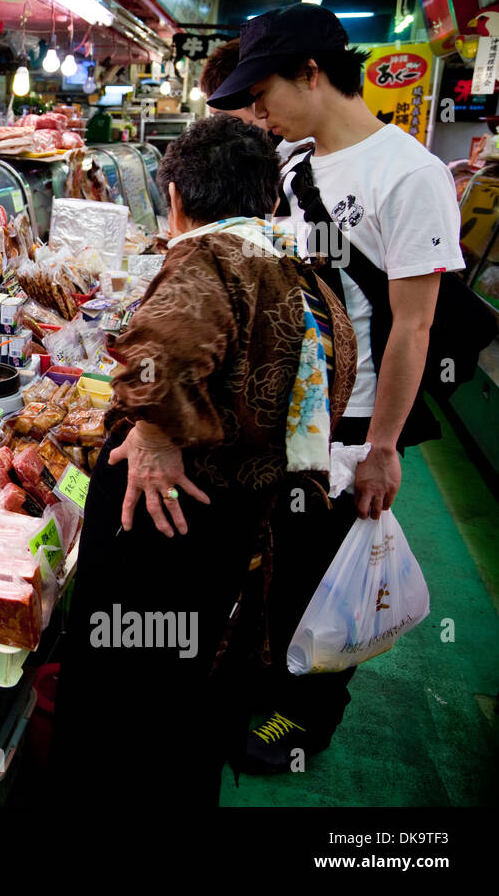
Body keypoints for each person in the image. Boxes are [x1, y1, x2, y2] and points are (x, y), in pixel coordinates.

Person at [51, 114, 356, 805]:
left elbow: (158, 352)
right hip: (235, 524)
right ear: (268, 198)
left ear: (176, 194)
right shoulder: (294, 266)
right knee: (196, 685)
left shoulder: (211, 255)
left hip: (164, 524)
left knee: (123, 690)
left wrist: (156, 431)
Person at [207, 3, 465, 772]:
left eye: (265, 92)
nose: (258, 110)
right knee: (277, 558)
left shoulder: (412, 176)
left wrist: (384, 446)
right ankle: (268, 678)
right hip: (289, 407)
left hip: (356, 421)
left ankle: (306, 719)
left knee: (327, 570)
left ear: (312, 73)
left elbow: (414, 328)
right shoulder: (292, 164)